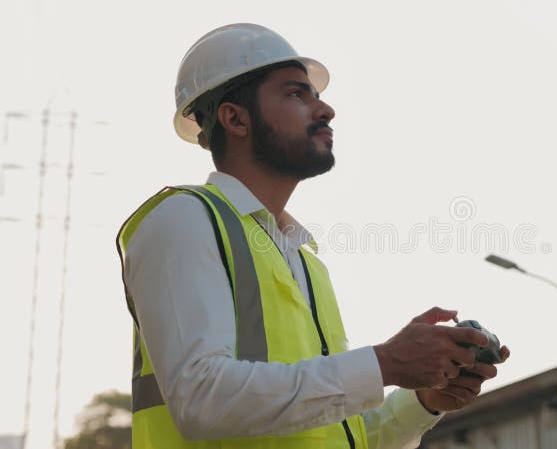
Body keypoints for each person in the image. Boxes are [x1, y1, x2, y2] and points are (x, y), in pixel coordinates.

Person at [116, 23, 510, 449]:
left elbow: (333, 434)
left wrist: (423, 400)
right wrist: (385, 363)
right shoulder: (183, 220)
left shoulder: (304, 259)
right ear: (235, 118)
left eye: (316, 96)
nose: (325, 111)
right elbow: (201, 400)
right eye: (295, 94)